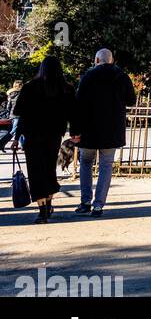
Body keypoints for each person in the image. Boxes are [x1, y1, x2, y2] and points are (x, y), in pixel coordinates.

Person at [72, 47, 137, 218]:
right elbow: (131, 100)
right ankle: (99, 205)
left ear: (96, 60)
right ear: (112, 60)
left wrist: (75, 130)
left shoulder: (88, 76)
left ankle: (85, 202)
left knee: (85, 163)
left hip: (89, 130)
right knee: (106, 166)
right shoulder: (121, 76)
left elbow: (78, 105)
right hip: (112, 130)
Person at [13, 55, 75, 223]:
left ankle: (42, 211)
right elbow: (73, 114)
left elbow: (21, 115)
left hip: (32, 136)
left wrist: (16, 138)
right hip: (54, 135)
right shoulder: (66, 89)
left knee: (35, 172)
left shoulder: (29, 88)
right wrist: (75, 133)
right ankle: (48, 203)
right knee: (49, 170)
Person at [0, 79, 24, 152]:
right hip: (20, 115)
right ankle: (1, 144)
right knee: (14, 131)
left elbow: (8, 106)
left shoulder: (10, 94)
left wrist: (9, 114)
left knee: (16, 131)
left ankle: (23, 145)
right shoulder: (23, 94)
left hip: (12, 115)